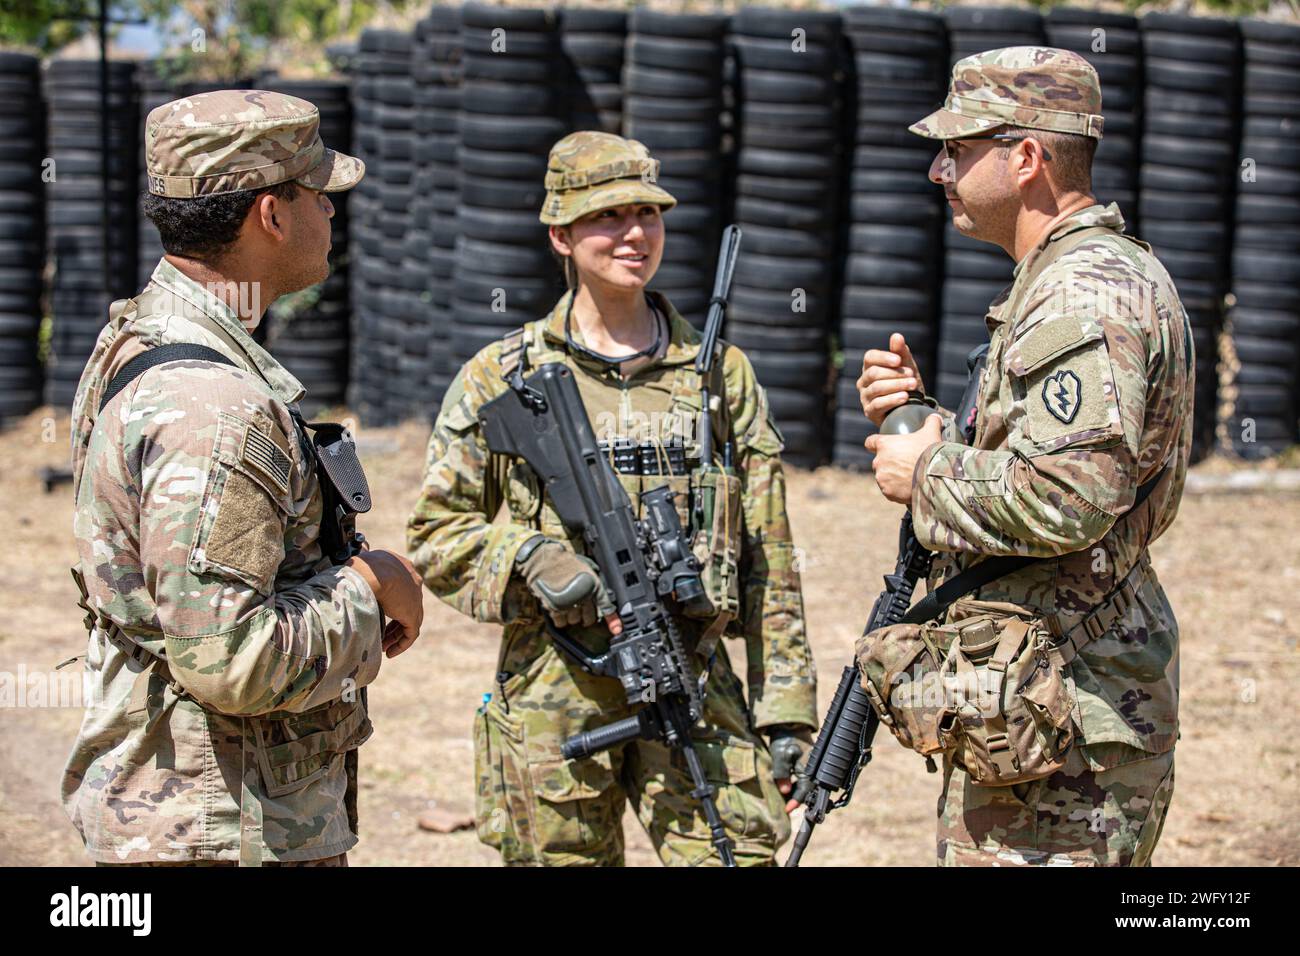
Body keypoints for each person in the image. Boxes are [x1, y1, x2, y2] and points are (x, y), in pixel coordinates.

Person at [407, 130, 817, 866]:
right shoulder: (501, 375)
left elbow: (771, 558)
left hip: (690, 675)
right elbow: (436, 533)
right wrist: (530, 556)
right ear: (560, 234)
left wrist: (786, 713)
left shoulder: (718, 375)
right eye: (608, 216)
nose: (634, 234)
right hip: (556, 687)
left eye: (648, 214)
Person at [64, 90, 425, 867]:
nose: (331, 211)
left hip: (193, 809)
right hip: (219, 827)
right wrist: (373, 586)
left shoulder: (141, 337)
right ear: (271, 215)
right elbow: (229, 658)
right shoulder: (215, 406)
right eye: (318, 193)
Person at [857, 48, 1192, 866]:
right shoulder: (1085, 276)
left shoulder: (1081, 293)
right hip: (1050, 699)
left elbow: (1070, 495)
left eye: (957, 150)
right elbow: (1062, 458)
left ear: (1027, 158)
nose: (939, 171)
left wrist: (926, 474)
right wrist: (929, 423)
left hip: (1066, 724)